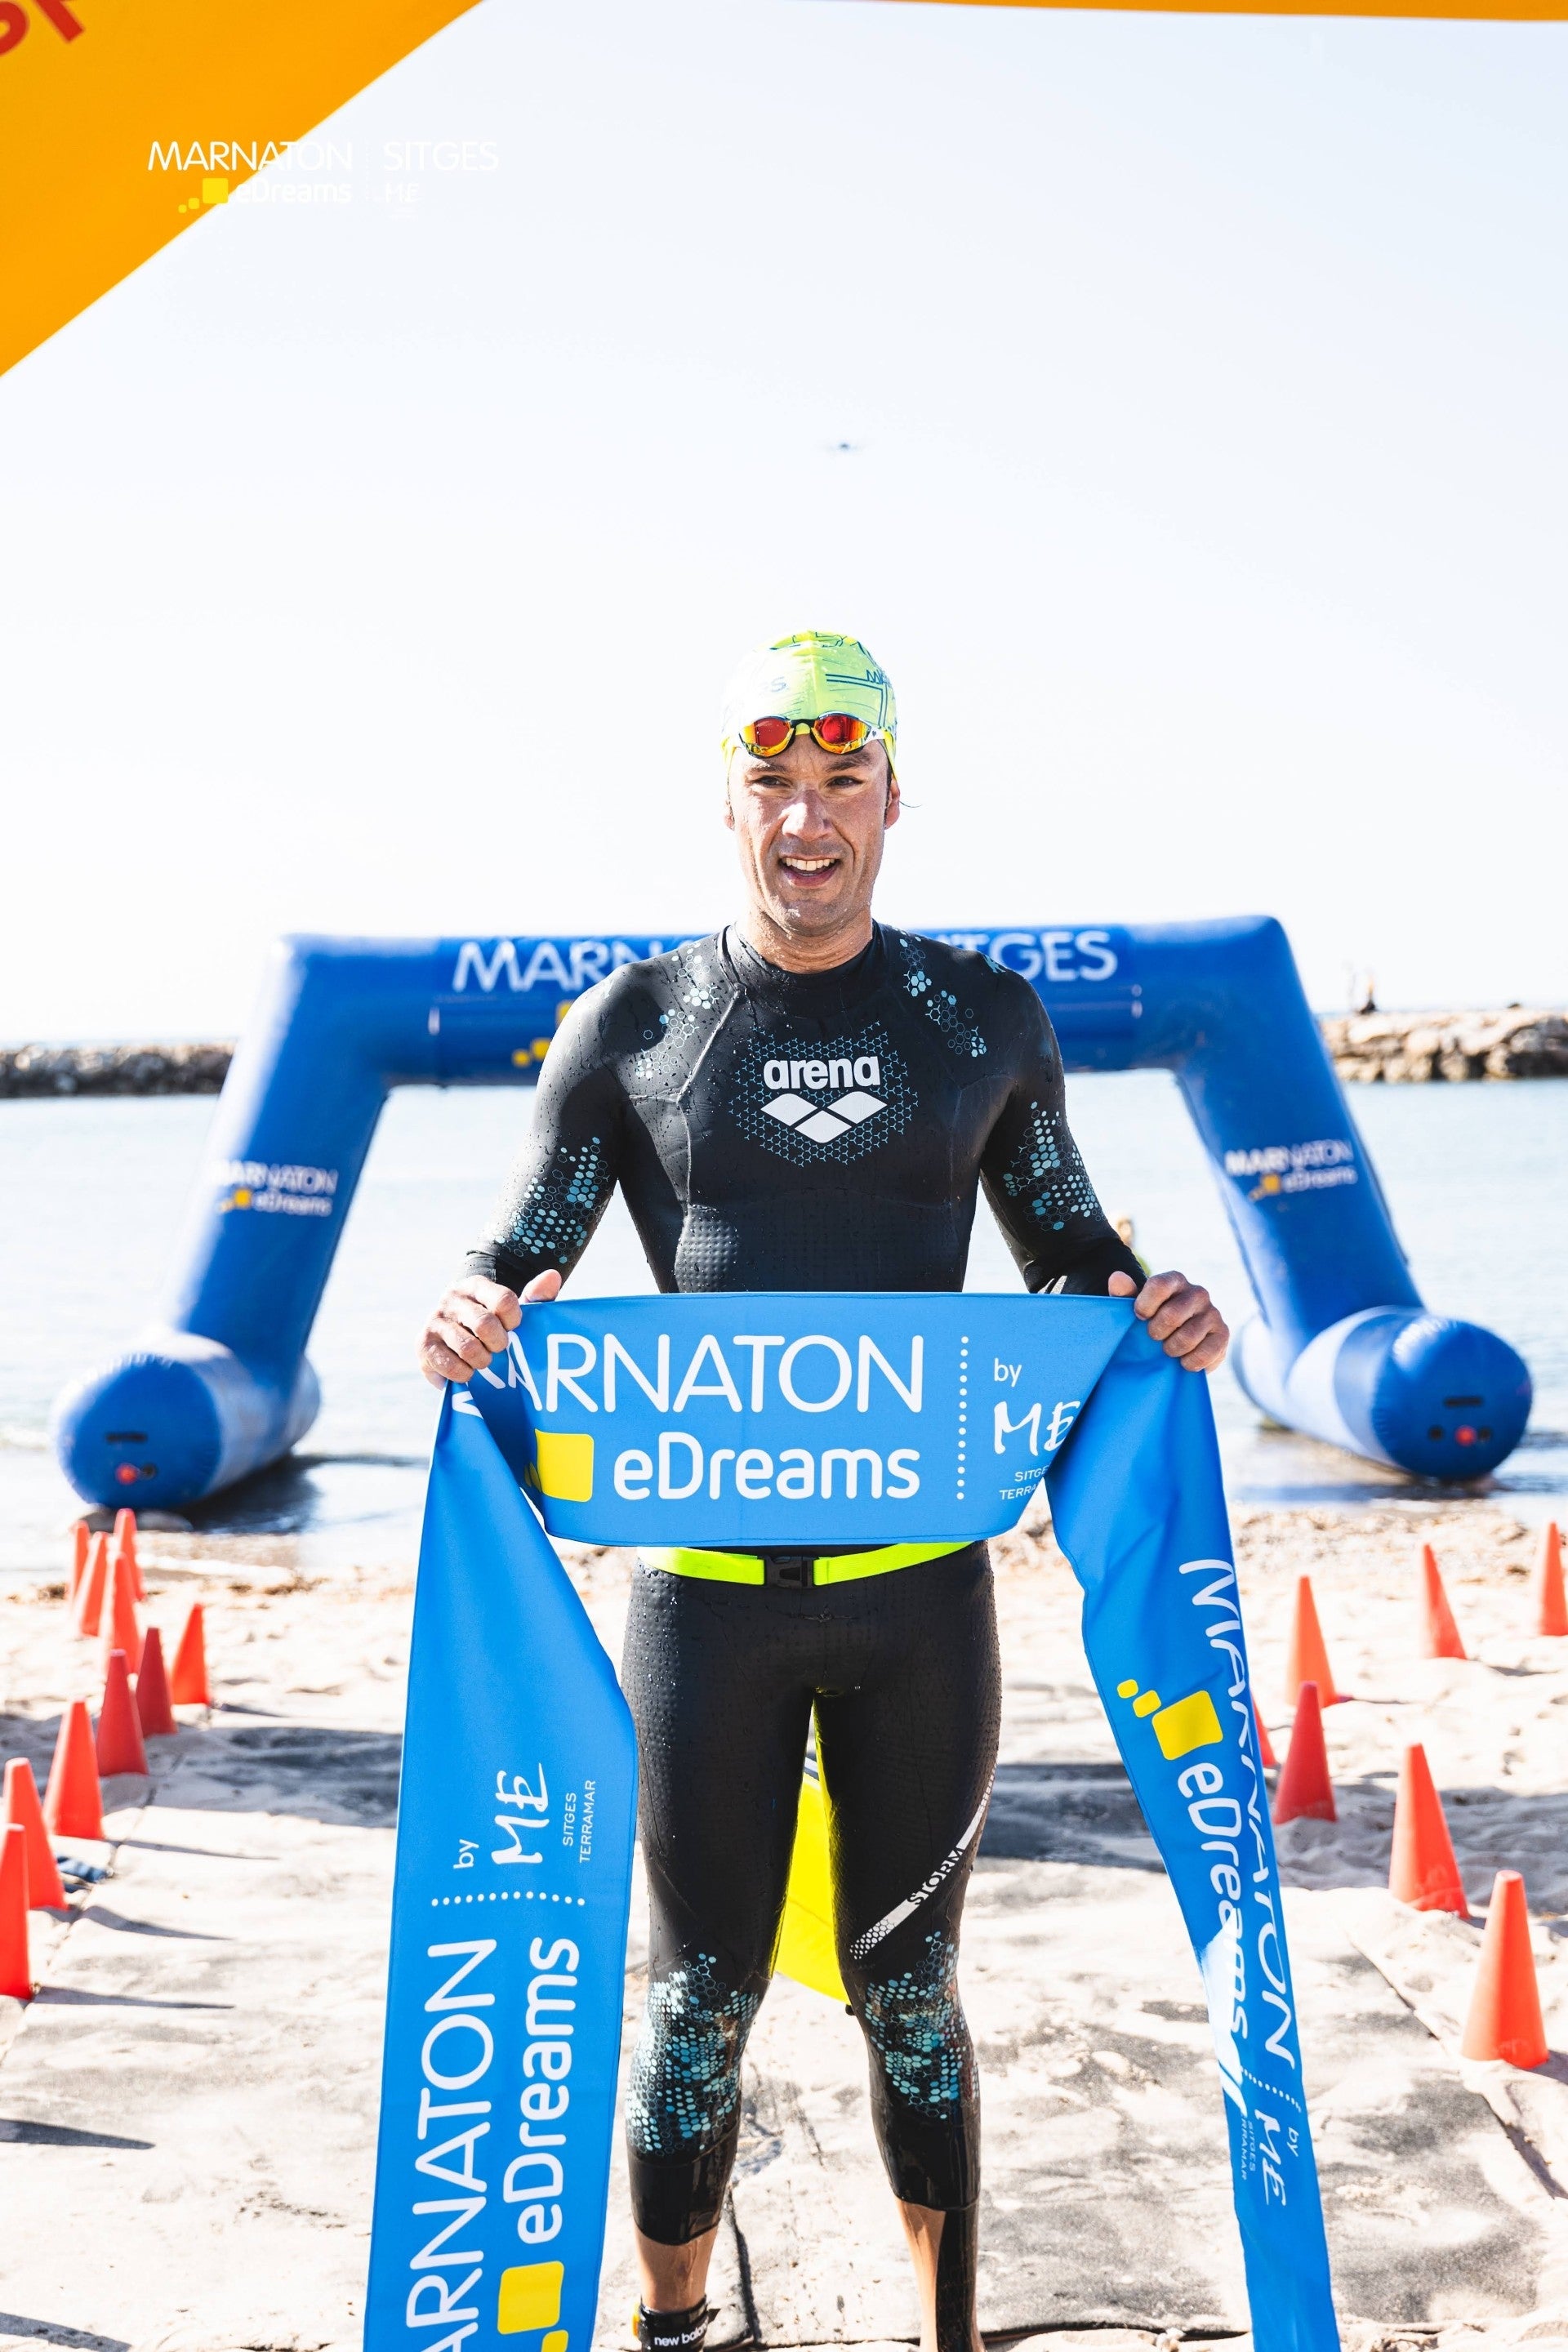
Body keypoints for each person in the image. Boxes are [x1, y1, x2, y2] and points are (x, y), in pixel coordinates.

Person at [418, 631, 1228, 2352]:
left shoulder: (981, 1023)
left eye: (839, 783)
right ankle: (676, 2331)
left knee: (913, 2001)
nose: (807, 819)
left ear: (891, 799)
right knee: (693, 2008)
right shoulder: (637, 1025)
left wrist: (1155, 1301)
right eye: (772, 785)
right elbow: (528, 1257)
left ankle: (944, 2336)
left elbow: (1074, 1257)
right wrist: (472, 1307)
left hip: (922, 1597)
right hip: (701, 1604)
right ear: (727, 803)